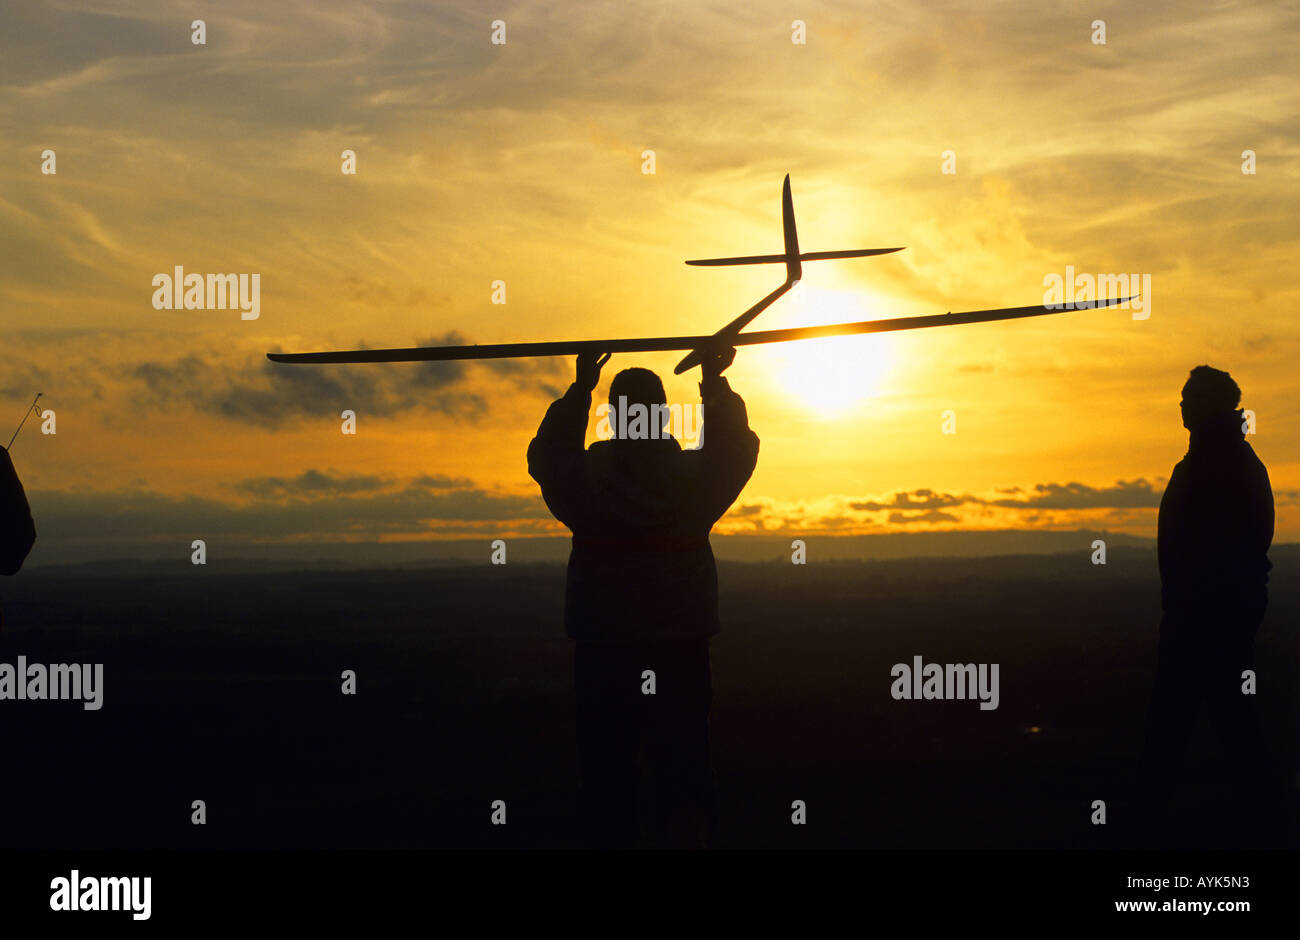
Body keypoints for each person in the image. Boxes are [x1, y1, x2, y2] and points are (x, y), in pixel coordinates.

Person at [527, 347, 759, 848]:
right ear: (659, 414)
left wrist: (580, 391)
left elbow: (546, 458)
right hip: (680, 651)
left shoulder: (587, 483)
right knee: (684, 775)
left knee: (607, 782)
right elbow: (735, 453)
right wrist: (714, 384)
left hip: (603, 652)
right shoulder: (694, 482)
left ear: (611, 417)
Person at [1137, 365, 1281, 844]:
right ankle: (1260, 816)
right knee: (1223, 718)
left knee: (1183, 722)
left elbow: (1227, 547)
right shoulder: (1224, 460)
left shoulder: (1221, 465)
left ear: (1208, 405)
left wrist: (1194, 607)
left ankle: (1155, 823)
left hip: (1206, 617)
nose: (1180, 405)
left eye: (1188, 398)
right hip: (1207, 613)